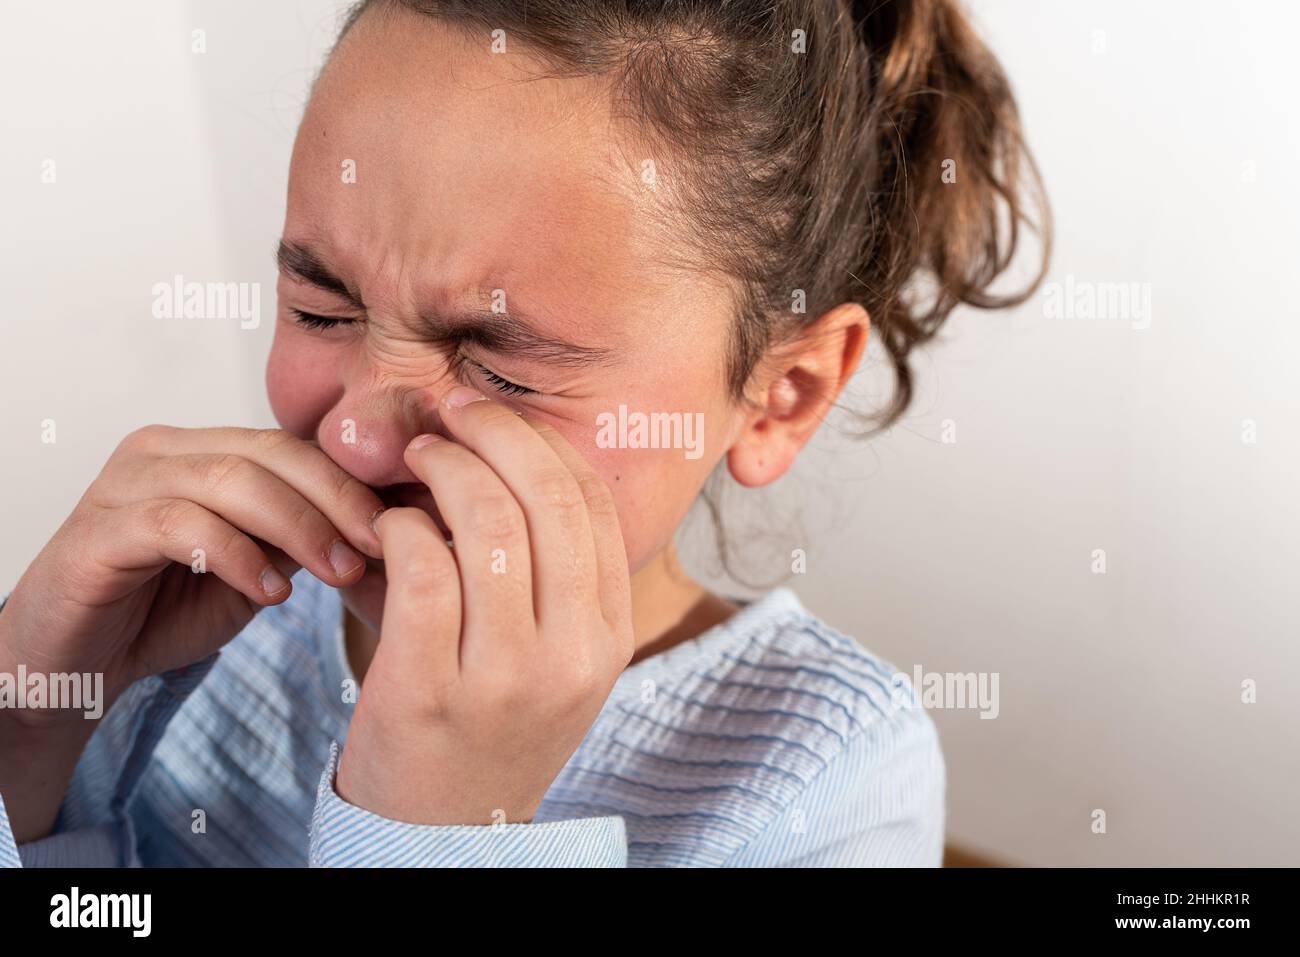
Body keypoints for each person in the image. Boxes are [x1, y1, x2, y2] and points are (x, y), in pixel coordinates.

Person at [0, 0, 1047, 867]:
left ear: (782, 393)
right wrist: (30, 730)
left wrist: (443, 829)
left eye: (499, 369)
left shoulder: (826, 773)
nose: (358, 434)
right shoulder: (200, 628)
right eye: (321, 310)